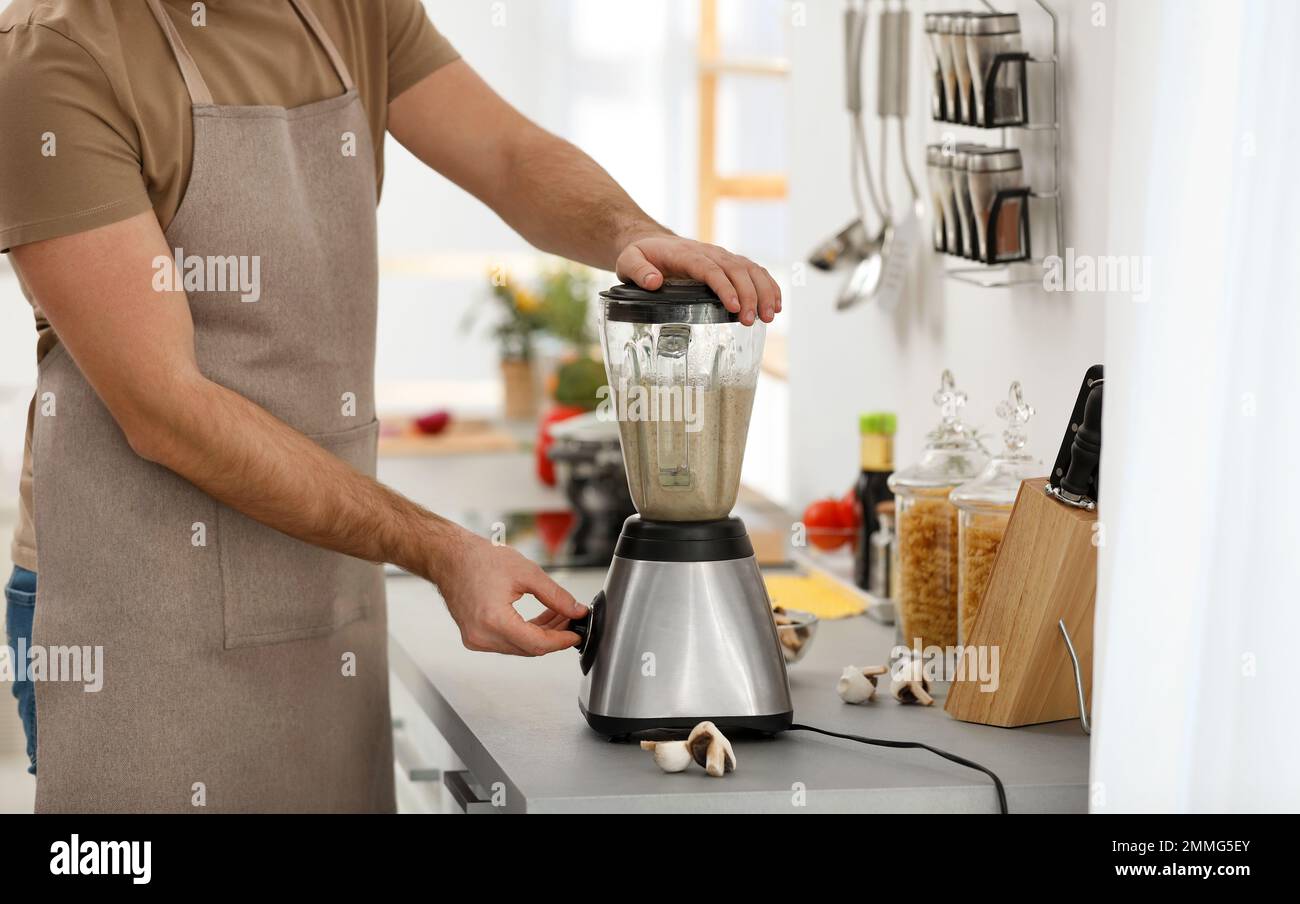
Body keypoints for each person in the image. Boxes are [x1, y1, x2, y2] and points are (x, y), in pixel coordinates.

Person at [0, 0, 781, 812]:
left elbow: (508, 155)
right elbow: (165, 409)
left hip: (322, 583)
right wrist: (441, 549)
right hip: (137, 614)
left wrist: (632, 234)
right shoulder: (51, 54)